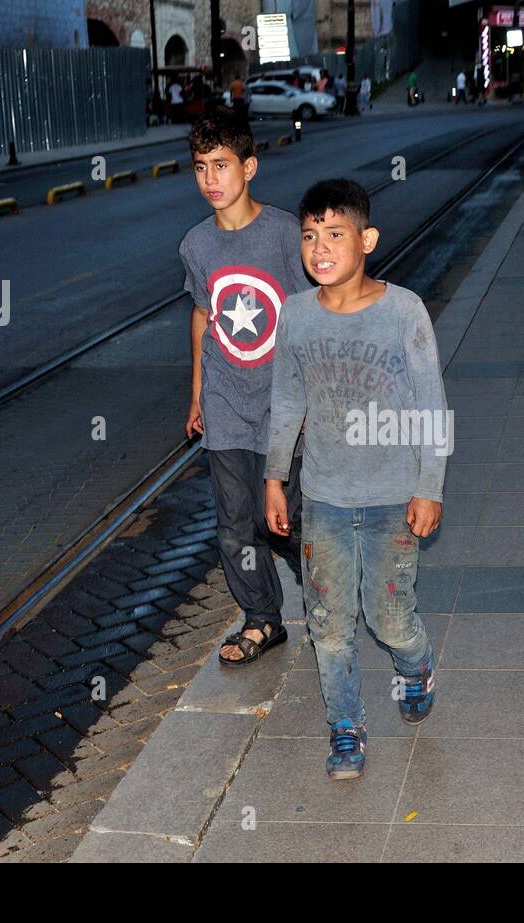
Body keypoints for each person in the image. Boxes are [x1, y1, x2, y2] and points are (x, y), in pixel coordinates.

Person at [265, 178, 446, 780]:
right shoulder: (294, 315)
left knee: (390, 619)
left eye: (334, 235)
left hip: (395, 496)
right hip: (324, 499)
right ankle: (347, 729)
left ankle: (416, 664)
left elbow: (430, 403)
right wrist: (273, 477)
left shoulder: (404, 311)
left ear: (366, 239)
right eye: (310, 236)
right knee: (329, 625)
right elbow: (287, 401)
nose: (319, 248)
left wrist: (430, 487)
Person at [179, 111, 312, 667]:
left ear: (249, 167)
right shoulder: (196, 245)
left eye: (223, 166)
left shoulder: (284, 234)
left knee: (286, 519)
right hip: (227, 402)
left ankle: (330, 599)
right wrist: (196, 394)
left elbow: (312, 312)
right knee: (236, 525)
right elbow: (204, 316)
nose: (212, 179)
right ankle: (261, 619)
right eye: (202, 167)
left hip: (283, 403)